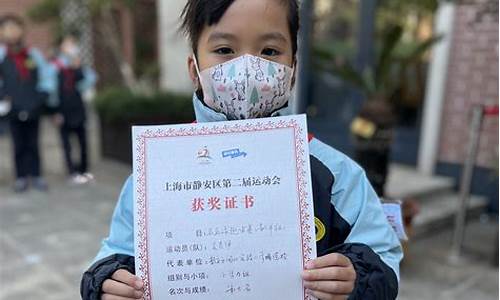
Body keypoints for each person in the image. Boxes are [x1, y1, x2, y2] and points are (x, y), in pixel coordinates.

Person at [80, 1, 402, 299]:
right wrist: (108, 280)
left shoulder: (335, 174)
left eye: (270, 50)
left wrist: (358, 278)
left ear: (292, 69)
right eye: (224, 49)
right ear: (194, 71)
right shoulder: (156, 173)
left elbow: (382, 255)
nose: (248, 66)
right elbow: (118, 251)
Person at [0, 14, 55, 192]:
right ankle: (21, 177)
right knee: (17, 144)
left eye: (15, 27)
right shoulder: (2, 56)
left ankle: (36, 175)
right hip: (12, 108)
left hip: (33, 107)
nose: (11, 31)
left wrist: (41, 98)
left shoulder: (33, 55)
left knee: (33, 143)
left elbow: (47, 78)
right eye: (7, 28)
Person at [51, 34, 97, 185]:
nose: (71, 48)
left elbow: (89, 81)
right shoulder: (55, 66)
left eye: (73, 44)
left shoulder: (79, 65)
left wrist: (78, 67)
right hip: (63, 109)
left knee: (83, 141)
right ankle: (71, 171)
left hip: (78, 108)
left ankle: (84, 170)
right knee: (66, 143)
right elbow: (52, 90)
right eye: (68, 44)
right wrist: (54, 111)